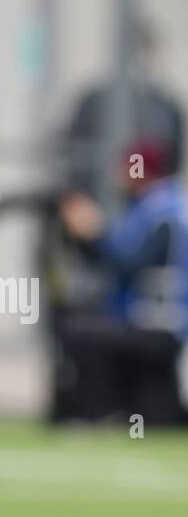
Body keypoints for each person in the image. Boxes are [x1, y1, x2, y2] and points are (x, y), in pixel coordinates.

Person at [57, 137, 188, 423]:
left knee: (80, 330)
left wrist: (93, 233)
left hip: (167, 325)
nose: (120, 174)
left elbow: (127, 264)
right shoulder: (163, 204)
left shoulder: (162, 211)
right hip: (159, 321)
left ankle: (103, 413)